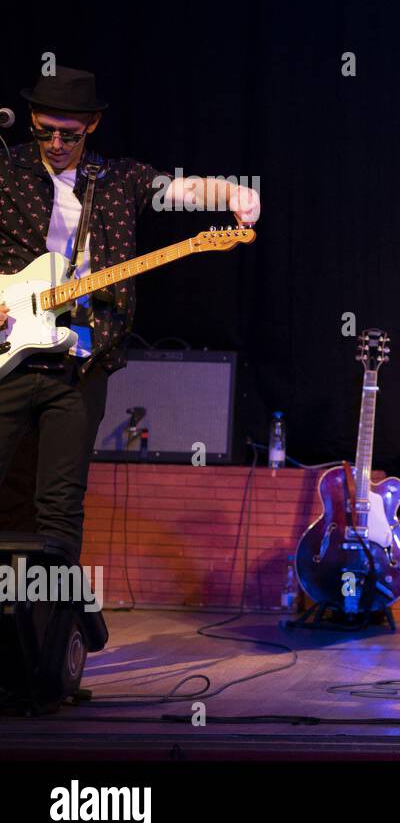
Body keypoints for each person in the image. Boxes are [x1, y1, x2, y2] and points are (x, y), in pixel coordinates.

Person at [0, 67, 260, 563]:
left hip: (81, 359)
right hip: (6, 350)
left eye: (69, 134)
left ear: (92, 125)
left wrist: (231, 194)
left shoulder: (118, 180)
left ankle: (56, 632)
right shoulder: (4, 173)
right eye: (44, 131)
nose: (56, 143)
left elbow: (181, 191)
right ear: (31, 119)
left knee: (60, 504)